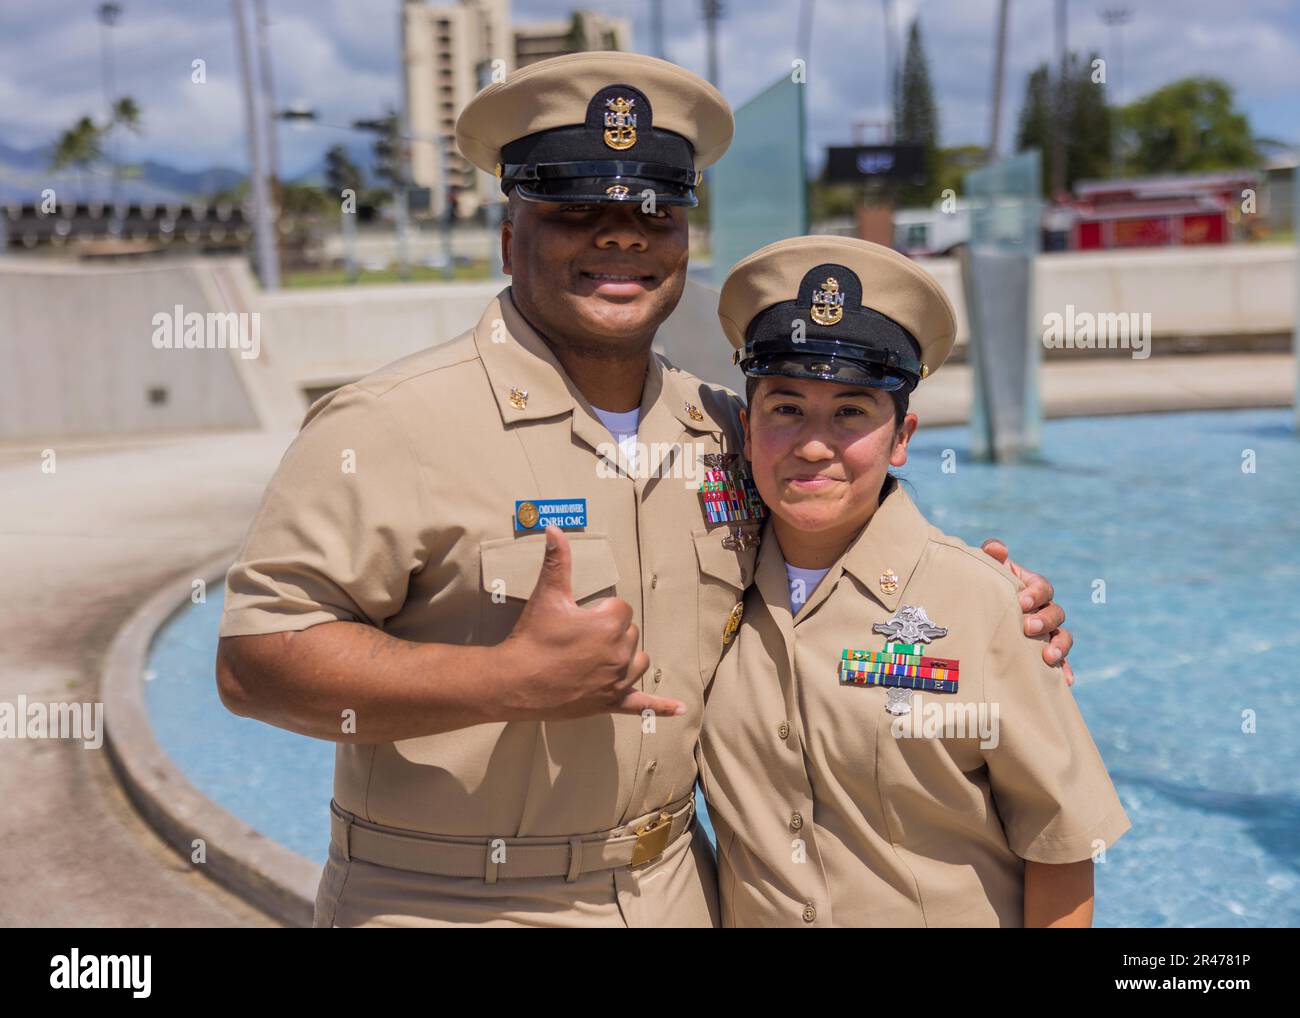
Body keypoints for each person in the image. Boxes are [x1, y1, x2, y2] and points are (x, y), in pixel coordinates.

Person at [214, 53, 1073, 928]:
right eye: (576, 209)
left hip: (677, 890)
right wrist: (503, 680)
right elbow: (254, 666)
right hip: (449, 901)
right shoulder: (388, 425)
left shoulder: (724, 430)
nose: (620, 235)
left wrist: (1001, 610)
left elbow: (848, 549)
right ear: (512, 236)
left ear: (682, 242)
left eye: (651, 211)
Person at [697, 236, 1130, 927]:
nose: (814, 443)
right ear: (747, 431)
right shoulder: (709, 587)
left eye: (851, 412)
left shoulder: (985, 602)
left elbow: (1061, 843)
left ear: (901, 437)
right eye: (786, 407)